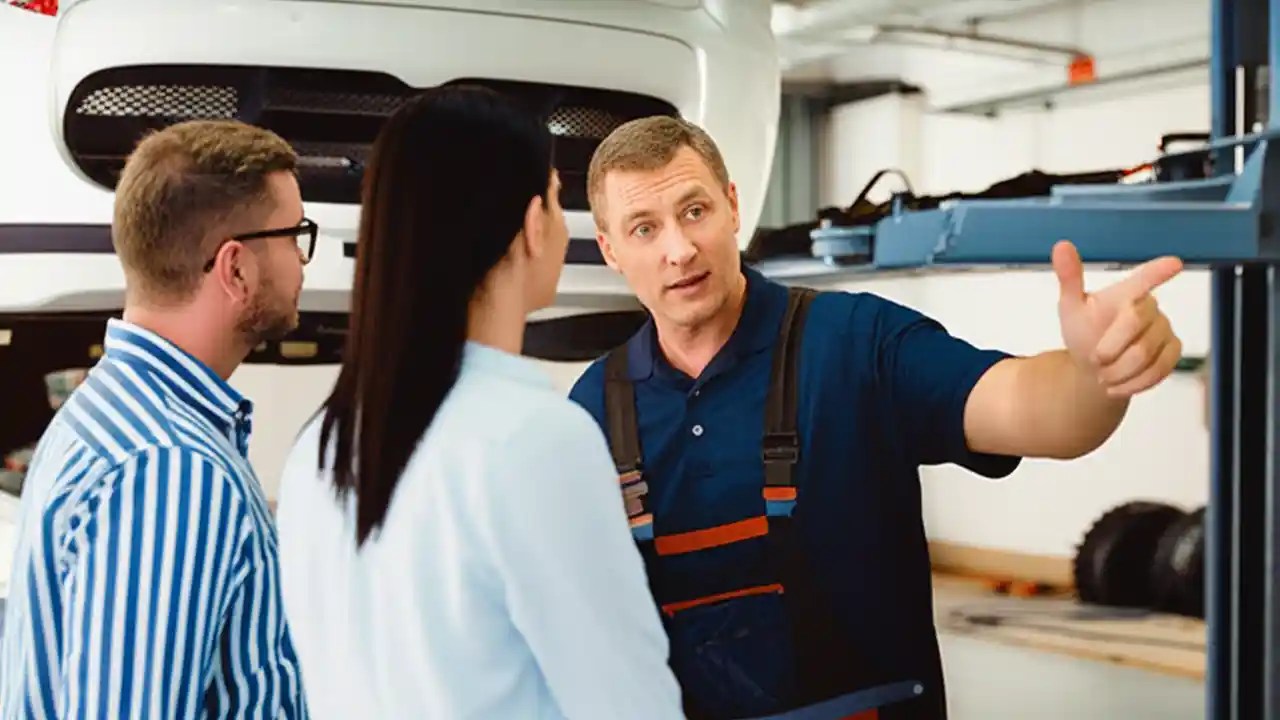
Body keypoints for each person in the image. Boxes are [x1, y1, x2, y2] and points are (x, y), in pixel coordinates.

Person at [568, 115, 1185, 720]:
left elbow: (1025, 404)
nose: (679, 249)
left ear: (732, 207)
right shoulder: (592, 410)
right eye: (644, 228)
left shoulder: (856, 342)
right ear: (611, 250)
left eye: (694, 211)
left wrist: (1095, 373)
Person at [273, 85, 684, 720]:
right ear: (530, 225)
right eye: (554, 193)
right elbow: (631, 707)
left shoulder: (321, 448)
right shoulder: (537, 439)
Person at [0, 119, 311, 718]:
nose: (302, 259)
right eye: (295, 235)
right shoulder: (170, 466)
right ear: (235, 268)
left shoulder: (107, 417)